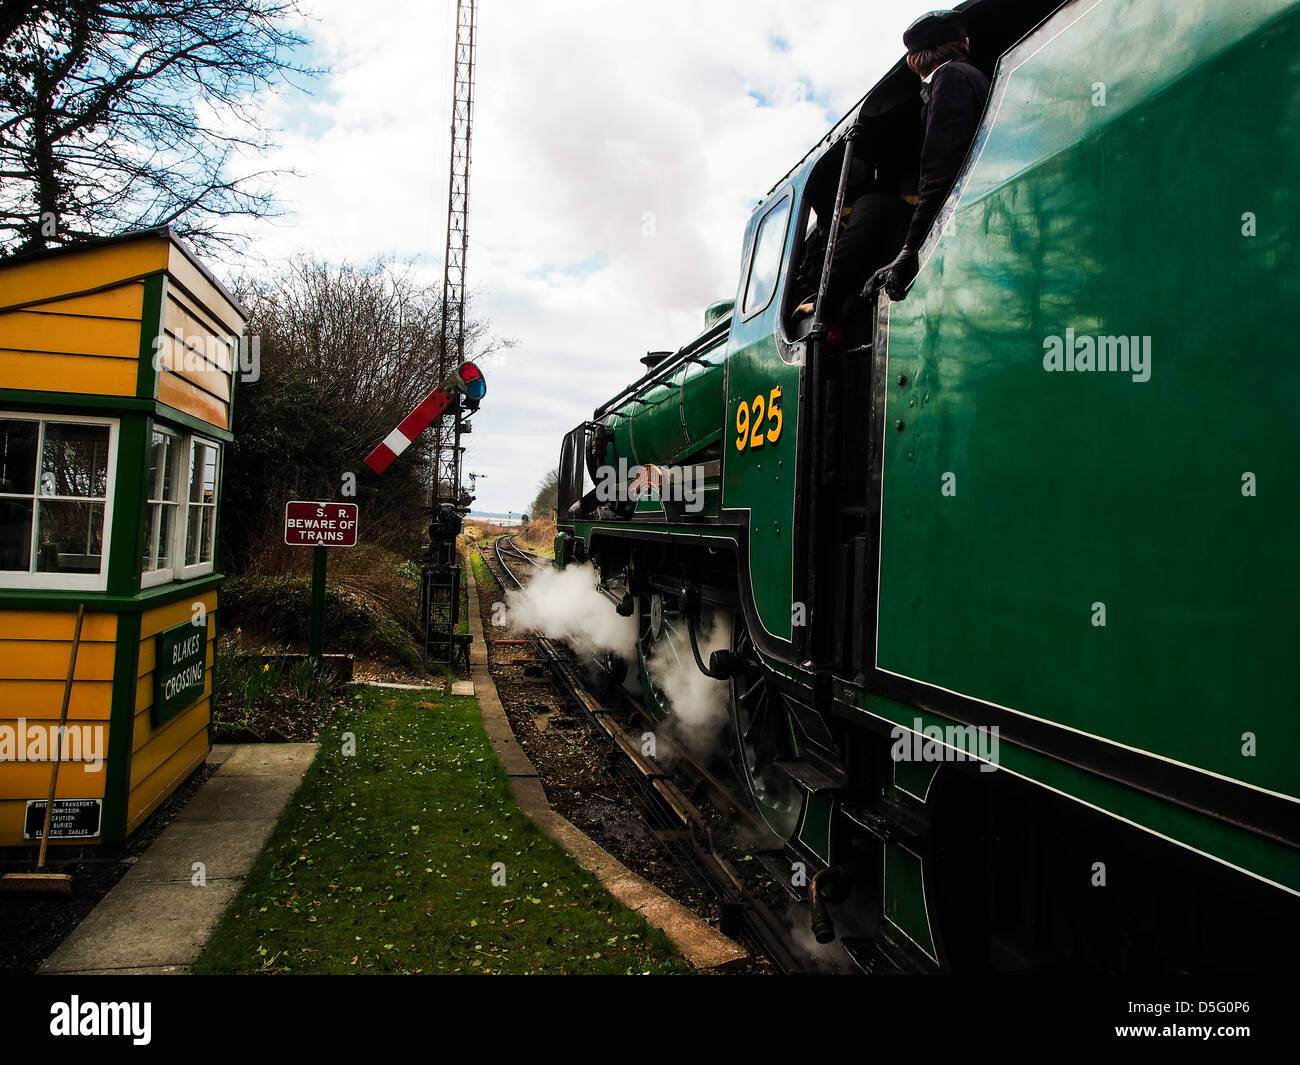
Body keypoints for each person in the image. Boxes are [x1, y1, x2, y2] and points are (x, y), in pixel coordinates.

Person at [871, 10, 990, 301]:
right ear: (965, 43)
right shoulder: (967, 75)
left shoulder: (950, 78)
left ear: (912, 62)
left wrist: (910, 249)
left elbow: (941, 169)